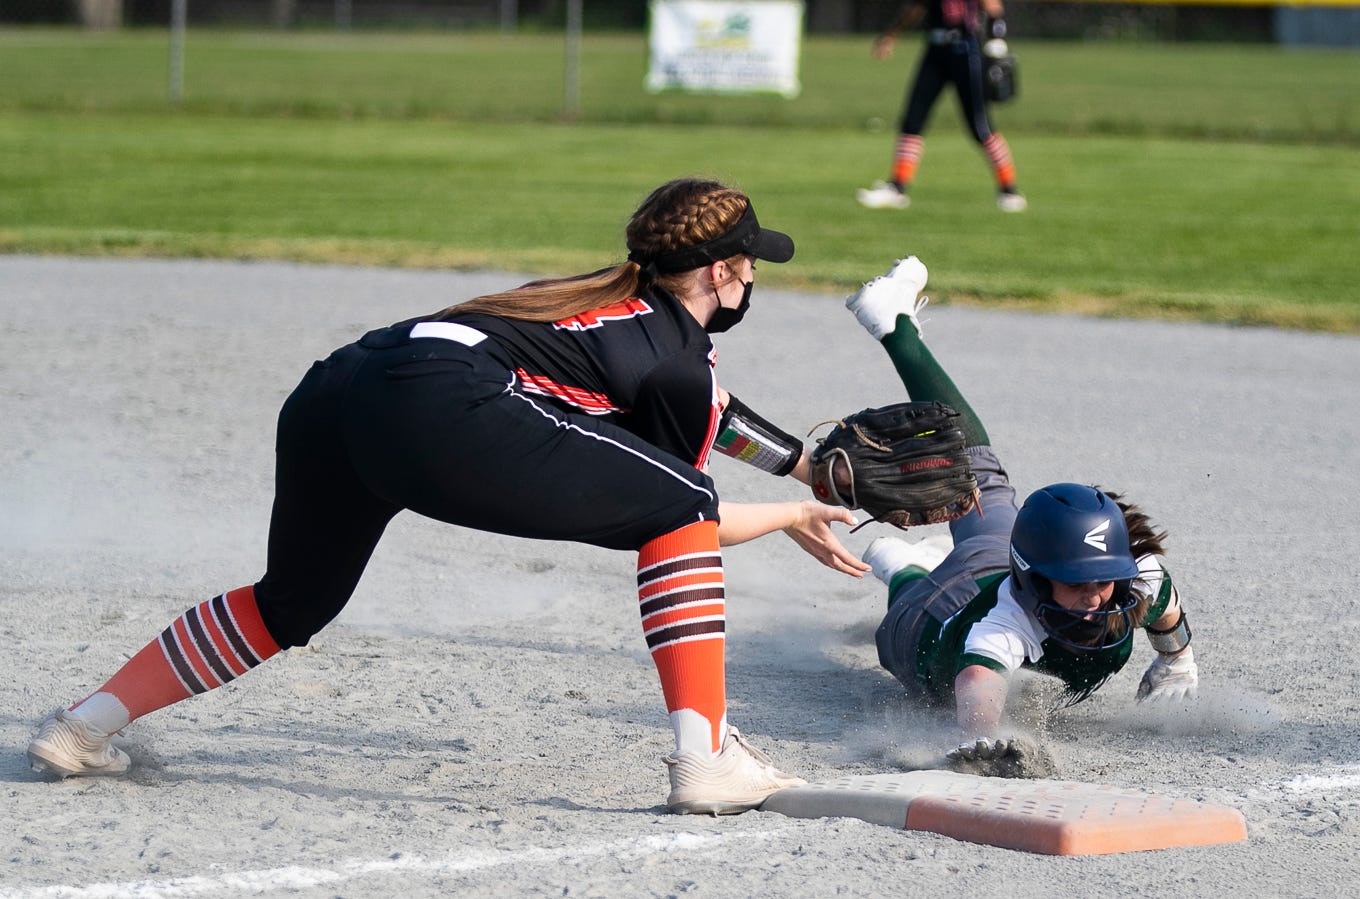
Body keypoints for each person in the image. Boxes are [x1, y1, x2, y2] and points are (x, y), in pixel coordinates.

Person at [25, 177, 871, 815]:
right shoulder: (675, 356)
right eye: (751, 265)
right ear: (722, 272)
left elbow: (716, 419)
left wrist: (807, 470)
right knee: (684, 501)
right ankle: (706, 757)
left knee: (292, 602)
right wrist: (797, 509)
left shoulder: (596, 300)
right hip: (442, 404)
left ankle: (82, 727)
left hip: (340, 386)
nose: (753, 280)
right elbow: (688, 507)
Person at [843, 256, 1198, 772]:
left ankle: (894, 326)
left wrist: (1175, 660)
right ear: (1033, 578)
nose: (1094, 595)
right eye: (1075, 582)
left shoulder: (1131, 578)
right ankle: (902, 565)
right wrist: (985, 740)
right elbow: (978, 680)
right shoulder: (1002, 625)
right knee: (910, 602)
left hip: (996, 550)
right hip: (932, 621)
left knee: (975, 465)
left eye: (1103, 579)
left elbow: (1162, 601)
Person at [856, 0, 1027, 213]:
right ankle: (898, 187)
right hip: (935, 50)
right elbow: (916, 7)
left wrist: (997, 41)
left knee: (981, 127)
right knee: (913, 120)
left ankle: (1010, 191)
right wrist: (892, 35)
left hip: (966, 49)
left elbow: (993, 7)